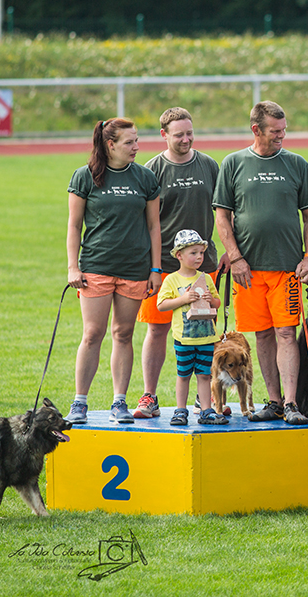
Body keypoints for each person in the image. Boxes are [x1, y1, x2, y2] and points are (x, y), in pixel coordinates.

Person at [213, 101, 308, 425]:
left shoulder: (297, 164)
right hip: (248, 271)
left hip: (286, 268)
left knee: (286, 332)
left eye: (284, 130)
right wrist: (236, 257)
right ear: (256, 129)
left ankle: (290, 404)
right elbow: (222, 216)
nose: (281, 136)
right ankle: (272, 402)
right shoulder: (233, 163)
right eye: (275, 131)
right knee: (261, 335)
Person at [65, 118, 161, 424]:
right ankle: (80, 402)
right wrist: (72, 267)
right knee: (92, 334)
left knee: (124, 333)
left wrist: (155, 269)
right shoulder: (85, 177)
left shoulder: (145, 178)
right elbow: (74, 226)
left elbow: (154, 226)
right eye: (129, 142)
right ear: (110, 145)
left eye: (136, 141)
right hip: (96, 268)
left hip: (135, 269)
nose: (136, 147)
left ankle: (119, 402)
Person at [134, 107, 225, 419]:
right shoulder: (152, 170)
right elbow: (143, 221)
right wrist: (151, 267)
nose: (186, 139)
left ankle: (205, 399)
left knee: (204, 329)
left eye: (189, 133)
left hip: (204, 263)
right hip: (163, 266)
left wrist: (229, 249)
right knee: (158, 330)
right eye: (178, 135)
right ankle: (150, 396)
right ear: (164, 135)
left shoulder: (209, 165)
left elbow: (225, 211)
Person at [155, 230, 225, 426]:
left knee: (204, 374)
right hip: (184, 339)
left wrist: (211, 300)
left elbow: (218, 302)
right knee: (183, 374)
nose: (199, 257)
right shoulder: (172, 280)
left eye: (201, 253)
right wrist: (183, 299)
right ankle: (180, 410)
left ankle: (206, 411)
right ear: (179, 255)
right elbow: (161, 305)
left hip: (206, 338)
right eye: (193, 253)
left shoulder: (206, 278)